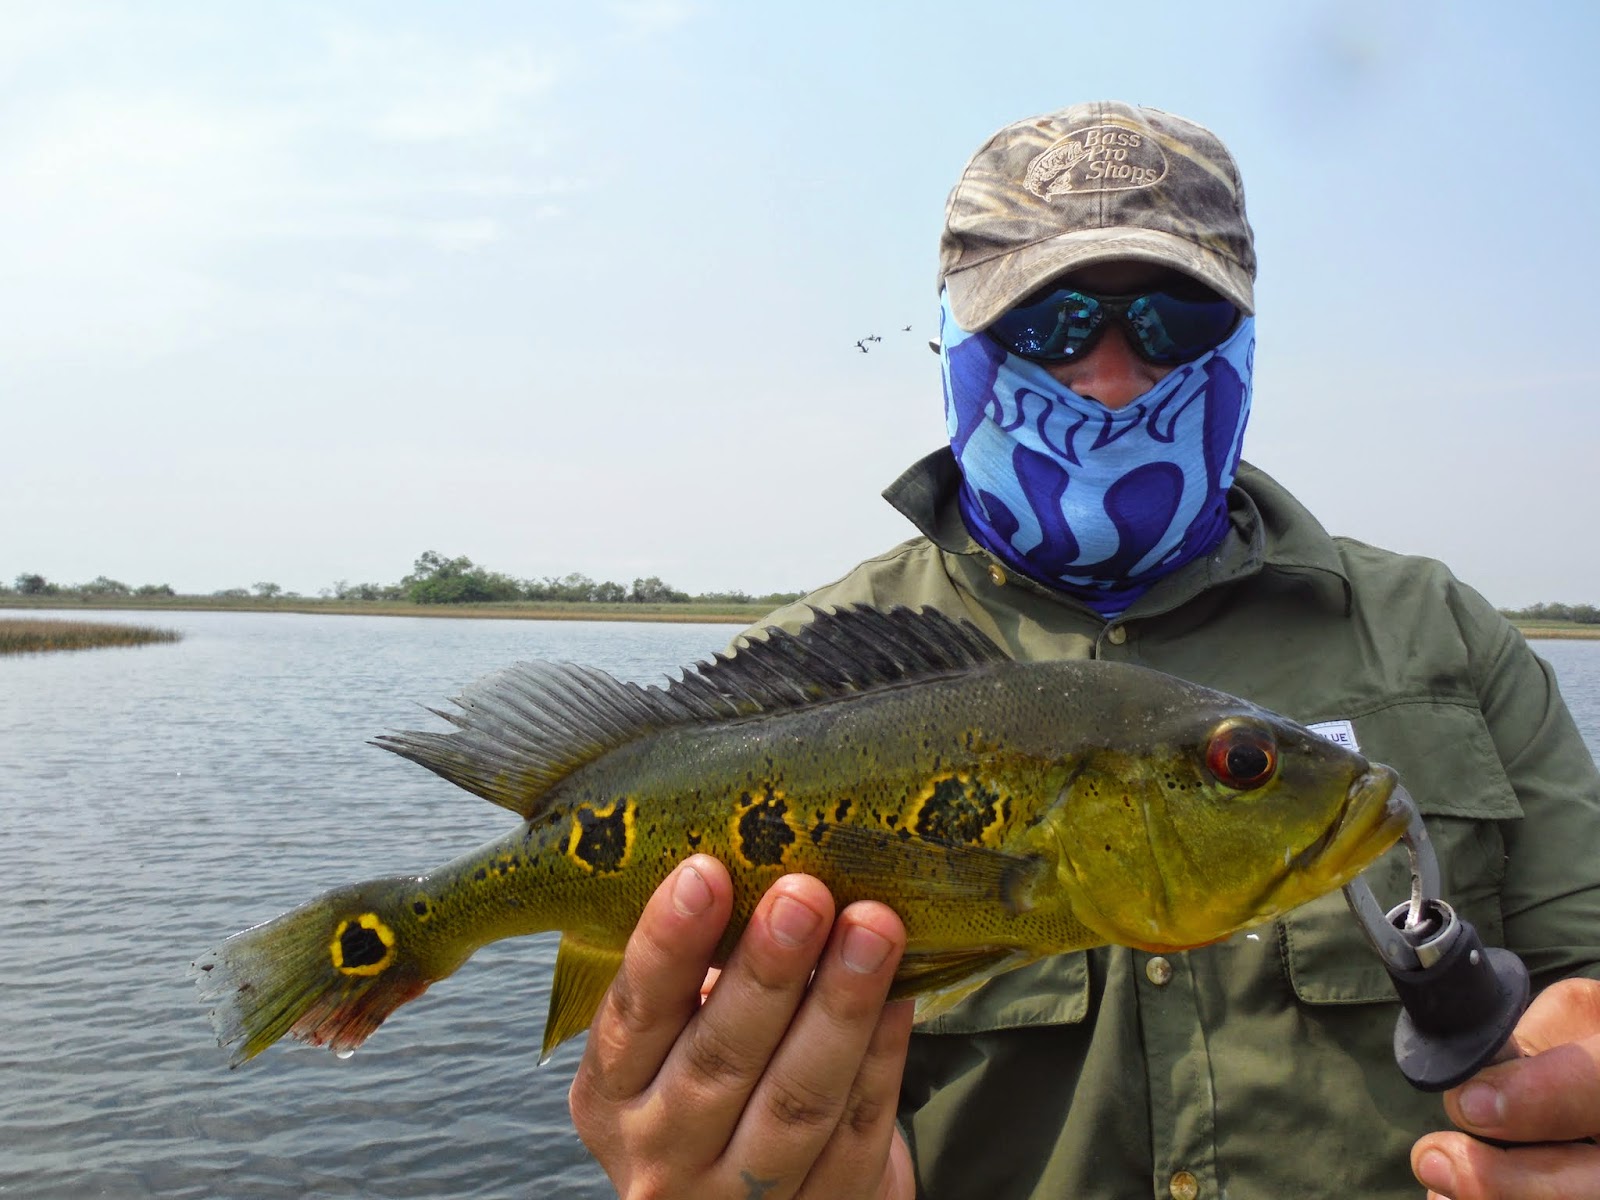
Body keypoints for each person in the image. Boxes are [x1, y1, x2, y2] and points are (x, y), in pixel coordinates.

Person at [567, 101, 1600, 1199]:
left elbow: (1582, 971)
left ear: (1247, 335)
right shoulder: (787, 697)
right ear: (955, 340)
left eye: (1175, 321)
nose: (1110, 378)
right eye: (1048, 322)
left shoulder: (1447, 635)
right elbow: (694, 1054)